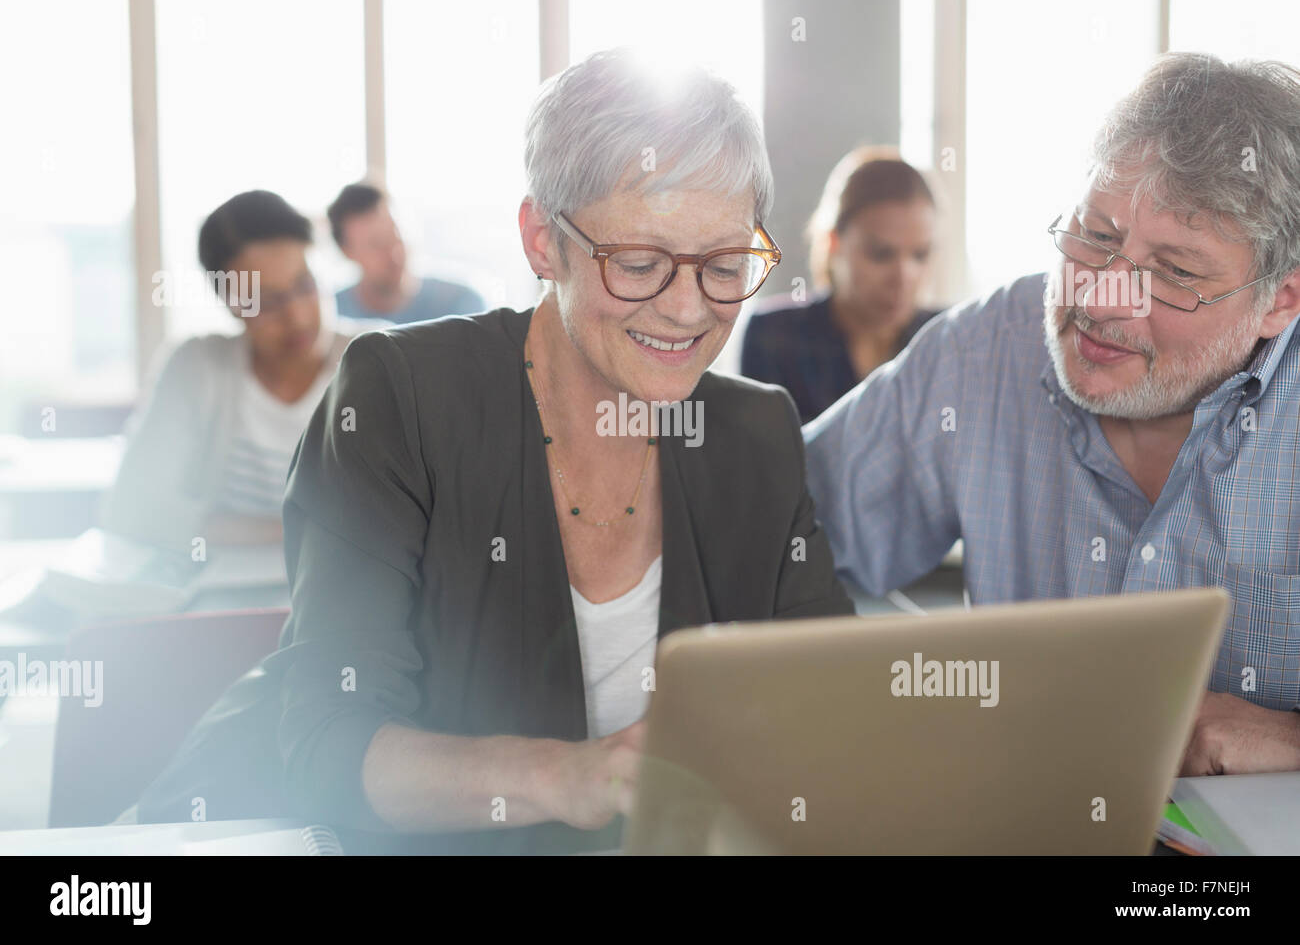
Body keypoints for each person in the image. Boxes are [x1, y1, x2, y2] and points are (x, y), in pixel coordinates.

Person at [132, 48, 851, 853]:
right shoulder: (400, 397)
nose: (688, 310)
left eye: (724, 266)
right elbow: (327, 740)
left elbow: (828, 702)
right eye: (641, 263)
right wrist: (565, 776)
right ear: (543, 241)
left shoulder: (756, 436)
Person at [805, 53, 1300, 776]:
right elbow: (774, 528)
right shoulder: (986, 349)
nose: (1101, 300)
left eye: (1175, 273)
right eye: (1096, 236)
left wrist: (1292, 738)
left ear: (1280, 302)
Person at [103, 190, 363, 550]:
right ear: (229, 304)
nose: (297, 316)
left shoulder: (378, 360)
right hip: (220, 594)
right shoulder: (197, 367)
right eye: (267, 301)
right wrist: (292, 533)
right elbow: (131, 509)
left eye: (306, 286)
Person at [742, 147, 940, 423]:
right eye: (881, 254)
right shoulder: (776, 336)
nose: (903, 277)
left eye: (920, 255)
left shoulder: (944, 338)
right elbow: (763, 461)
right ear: (835, 244)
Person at [327, 182, 486, 324]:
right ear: (346, 252)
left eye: (397, 237)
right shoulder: (330, 316)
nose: (393, 253)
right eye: (377, 244)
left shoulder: (463, 305)